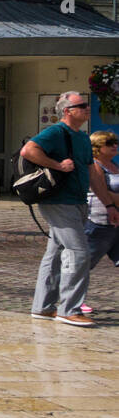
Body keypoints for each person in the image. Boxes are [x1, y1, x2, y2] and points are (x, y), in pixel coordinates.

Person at [22, 92, 119, 328]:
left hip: (77, 201)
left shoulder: (82, 138)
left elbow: (93, 173)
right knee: (79, 252)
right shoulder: (56, 132)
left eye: (87, 106)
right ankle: (69, 309)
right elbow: (28, 150)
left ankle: (43, 307)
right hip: (59, 202)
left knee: (54, 255)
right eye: (82, 106)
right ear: (68, 111)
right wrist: (58, 165)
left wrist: (108, 204)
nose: (87, 109)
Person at [83, 131, 119, 315]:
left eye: (115, 142)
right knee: (84, 264)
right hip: (99, 223)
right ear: (97, 147)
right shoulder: (95, 166)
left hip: (116, 225)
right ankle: (74, 300)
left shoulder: (114, 165)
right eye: (109, 142)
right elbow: (102, 191)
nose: (115, 145)